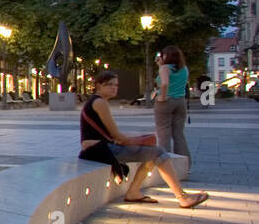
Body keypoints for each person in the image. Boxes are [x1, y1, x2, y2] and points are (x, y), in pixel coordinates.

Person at [79, 71, 207, 208]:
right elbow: (116, 135)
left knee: (153, 153)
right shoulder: (99, 102)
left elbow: (111, 135)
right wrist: (138, 141)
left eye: (116, 85)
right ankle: (182, 197)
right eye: (109, 85)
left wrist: (136, 141)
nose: (114, 88)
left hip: (99, 148)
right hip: (99, 150)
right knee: (158, 152)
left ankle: (134, 192)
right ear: (98, 85)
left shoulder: (96, 101)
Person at [154, 45, 191, 174]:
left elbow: (164, 83)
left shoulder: (165, 68)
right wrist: (160, 66)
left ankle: (166, 167)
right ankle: (185, 166)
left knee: (164, 134)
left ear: (166, 56)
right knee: (179, 134)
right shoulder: (184, 69)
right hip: (180, 102)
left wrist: (162, 97)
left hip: (167, 101)